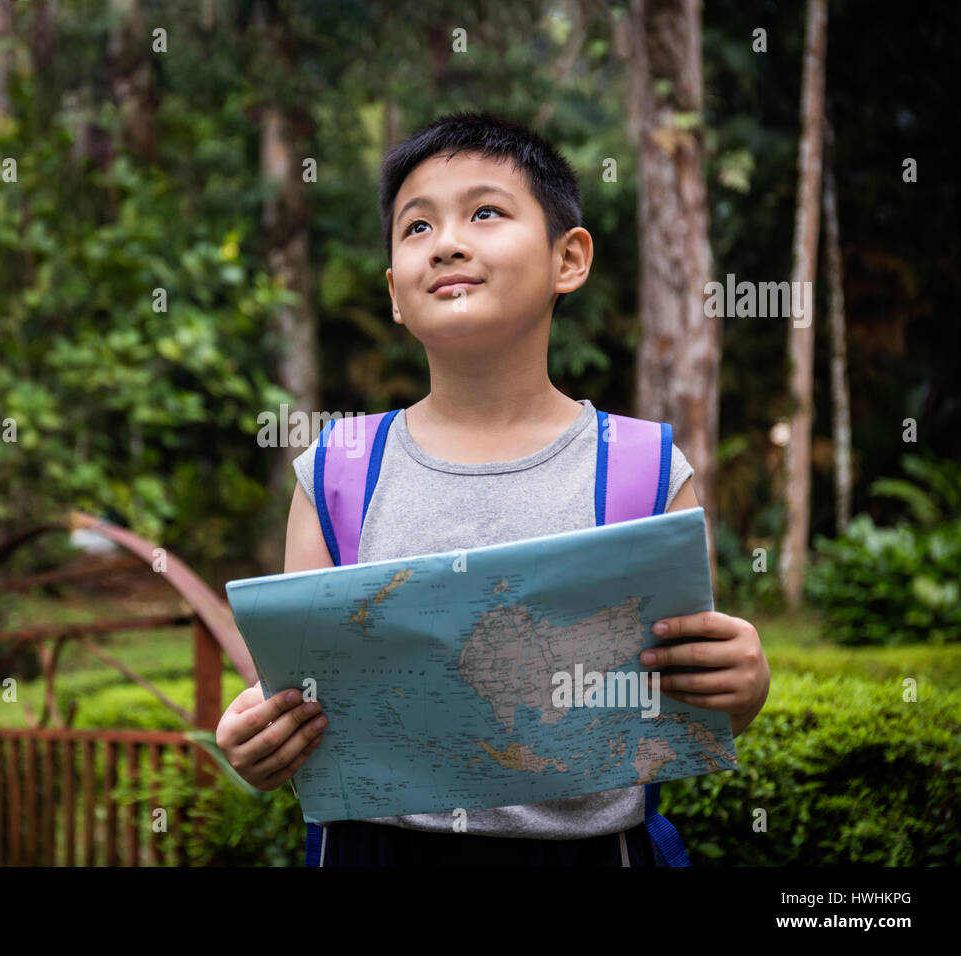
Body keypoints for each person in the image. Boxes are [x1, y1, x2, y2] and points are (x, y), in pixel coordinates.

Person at [215, 111, 770, 866]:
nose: (445, 242)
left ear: (568, 259)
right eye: (416, 227)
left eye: (485, 212)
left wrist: (743, 690)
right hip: (369, 850)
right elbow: (295, 701)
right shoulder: (337, 468)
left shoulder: (644, 468)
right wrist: (258, 739)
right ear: (394, 294)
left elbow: (678, 695)